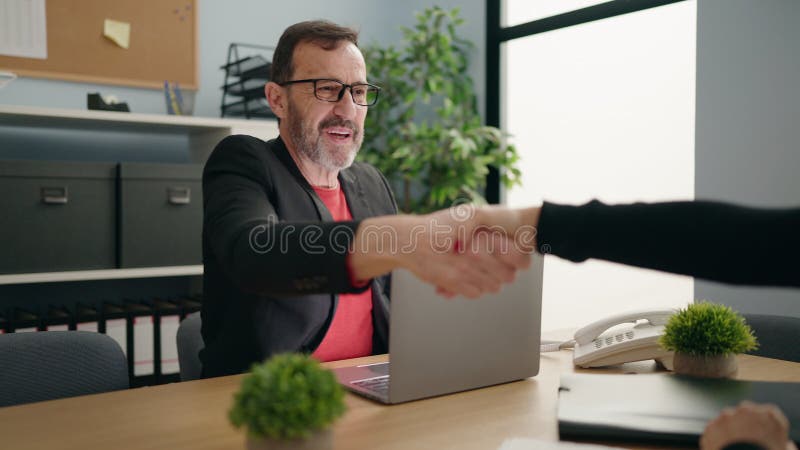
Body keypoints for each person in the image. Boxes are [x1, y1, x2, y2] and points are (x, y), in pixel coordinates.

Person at [200, 20, 530, 377]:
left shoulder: (371, 182)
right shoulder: (244, 161)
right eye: (327, 89)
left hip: (374, 387)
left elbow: (398, 302)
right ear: (277, 99)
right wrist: (403, 237)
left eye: (358, 92)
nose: (347, 109)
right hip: (273, 402)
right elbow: (253, 252)